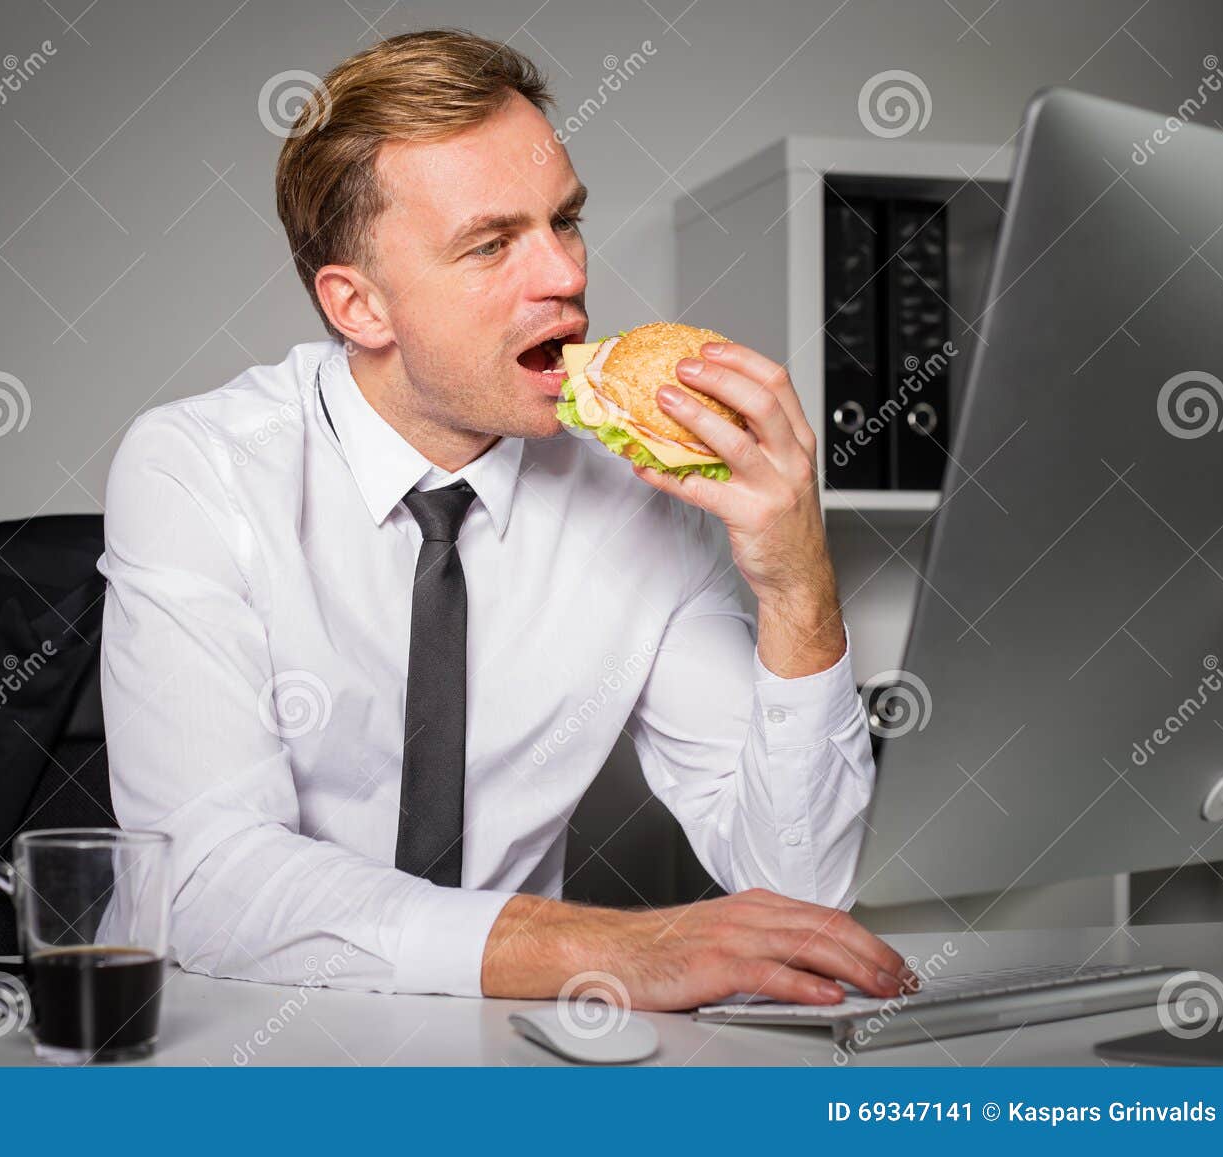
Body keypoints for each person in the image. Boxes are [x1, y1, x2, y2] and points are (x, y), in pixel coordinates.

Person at [98, 28, 914, 1010]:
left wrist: (795, 582)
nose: (564, 277)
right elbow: (208, 883)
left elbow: (801, 893)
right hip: (220, 1037)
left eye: (563, 222)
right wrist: (615, 943)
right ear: (359, 305)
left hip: (507, 1052)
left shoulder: (642, 482)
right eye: (491, 244)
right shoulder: (198, 466)